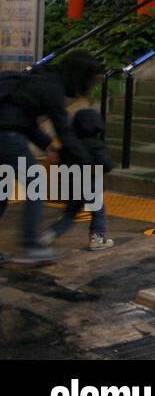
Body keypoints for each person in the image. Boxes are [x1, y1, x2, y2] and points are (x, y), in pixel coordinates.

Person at [0, 58, 75, 264]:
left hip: (6, 134)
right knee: (36, 182)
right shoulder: (51, 87)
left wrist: (48, 144)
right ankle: (31, 245)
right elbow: (61, 127)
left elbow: (25, 121)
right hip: (7, 137)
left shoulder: (29, 83)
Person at [39, 53, 114, 251]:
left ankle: (50, 234)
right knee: (98, 209)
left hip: (71, 184)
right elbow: (106, 165)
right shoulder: (96, 145)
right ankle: (98, 237)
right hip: (90, 185)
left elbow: (61, 160)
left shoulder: (71, 143)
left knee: (70, 213)